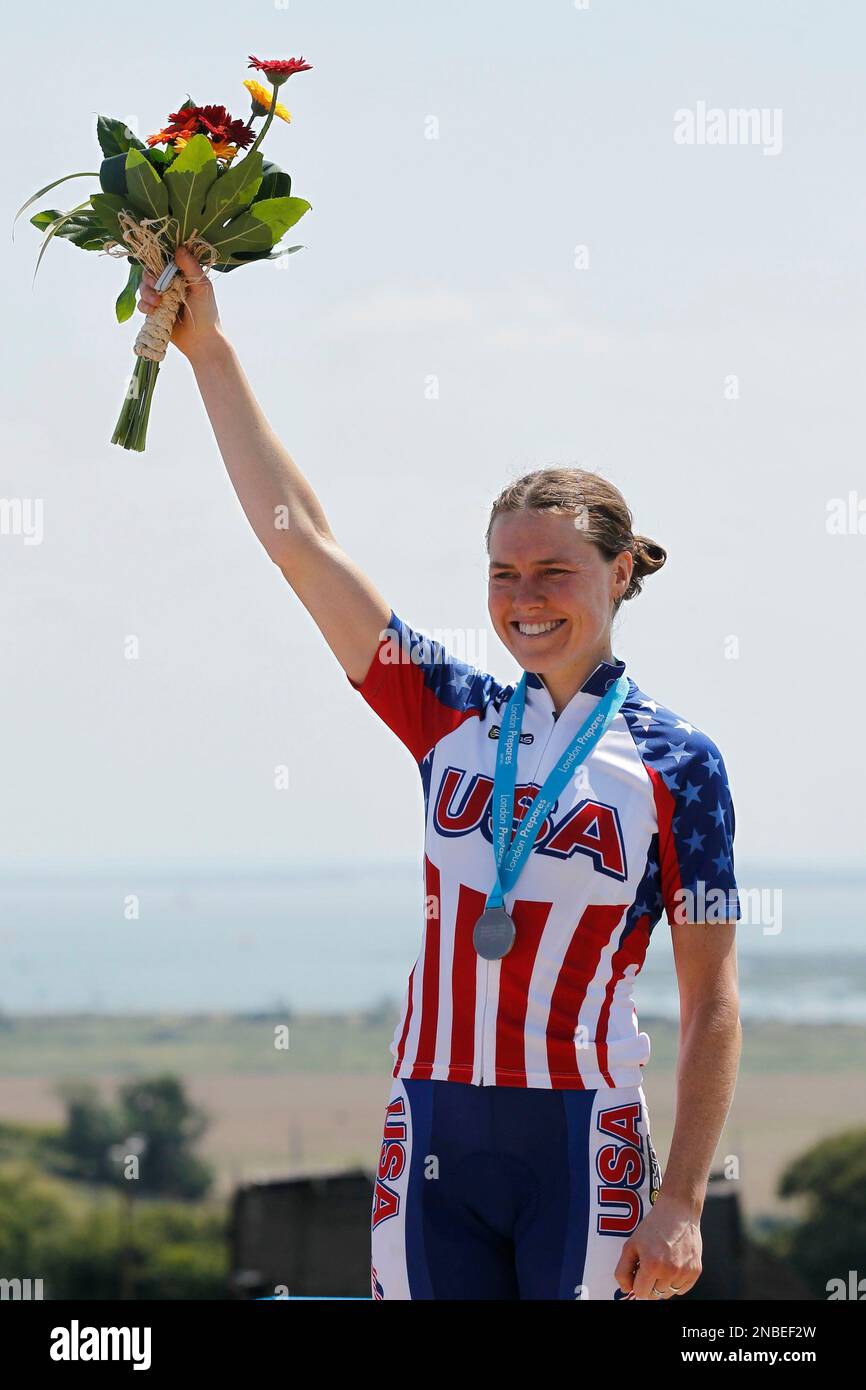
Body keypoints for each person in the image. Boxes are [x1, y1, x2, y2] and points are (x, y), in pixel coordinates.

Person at [137, 248, 742, 1301]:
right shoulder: (449, 713)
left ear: (617, 571)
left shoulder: (676, 764)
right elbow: (303, 547)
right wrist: (210, 354)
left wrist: (682, 1197)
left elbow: (710, 1002)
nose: (525, 598)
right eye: (502, 574)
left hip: (580, 1131)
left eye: (553, 570)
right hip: (429, 1124)